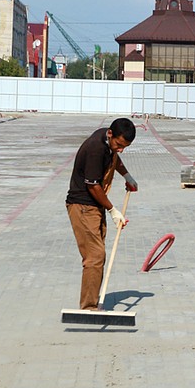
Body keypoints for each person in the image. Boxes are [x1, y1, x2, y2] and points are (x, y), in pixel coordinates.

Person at [66, 118, 139, 311]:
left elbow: (115, 158)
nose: (121, 149)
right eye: (119, 144)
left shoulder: (107, 142)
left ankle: (92, 301)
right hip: (82, 206)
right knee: (95, 256)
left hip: (94, 207)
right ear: (110, 134)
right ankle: (89, 307)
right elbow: (92, 185)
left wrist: (127, 176)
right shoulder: (95, 148)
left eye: (125, 147)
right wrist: (113, 210)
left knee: (98, 256)